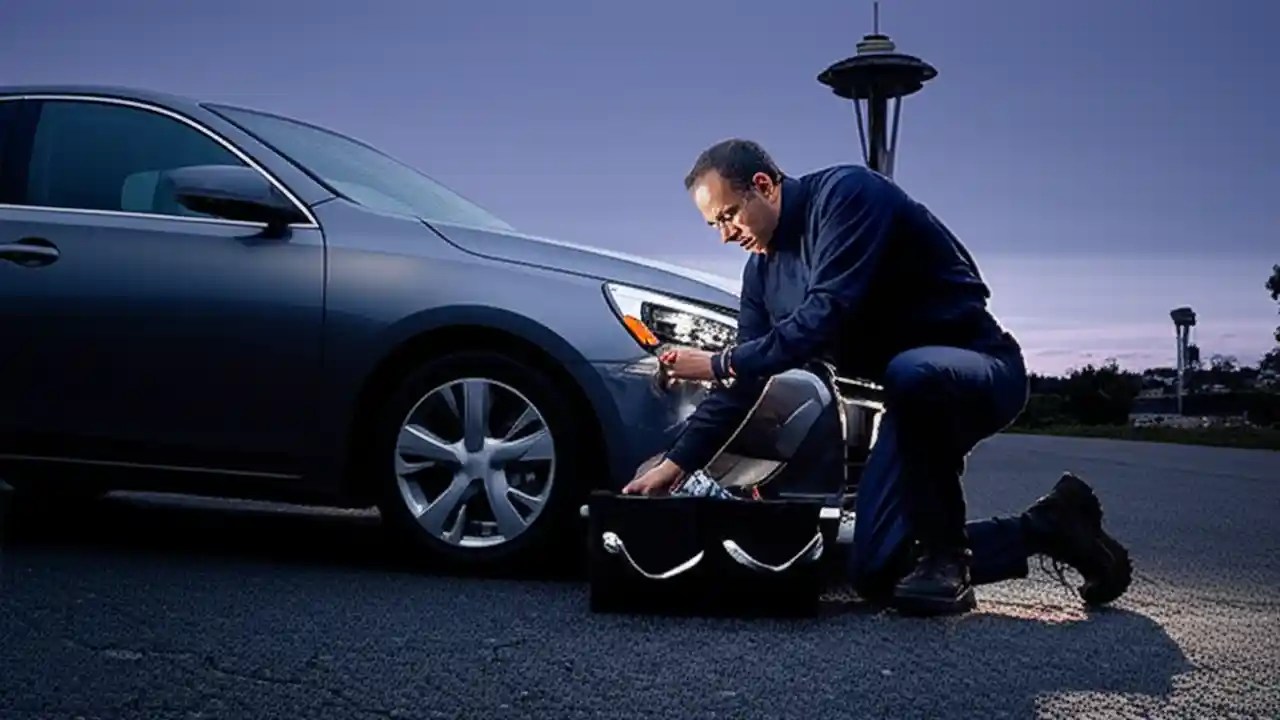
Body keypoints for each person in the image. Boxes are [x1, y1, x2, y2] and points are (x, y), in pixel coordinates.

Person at [622, 138, 1132, 616]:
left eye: (729, 215)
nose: (725, 234)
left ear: (764, 184)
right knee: (878, 573)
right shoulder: (759, 273)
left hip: (978, 369)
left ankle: (948, 555)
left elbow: (826, 314)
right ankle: (1049, 529)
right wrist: (675, 466)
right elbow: (747, 380)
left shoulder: (848, 195)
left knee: (912, 372)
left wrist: (715, 361)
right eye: (713, 225)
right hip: (909, 399)